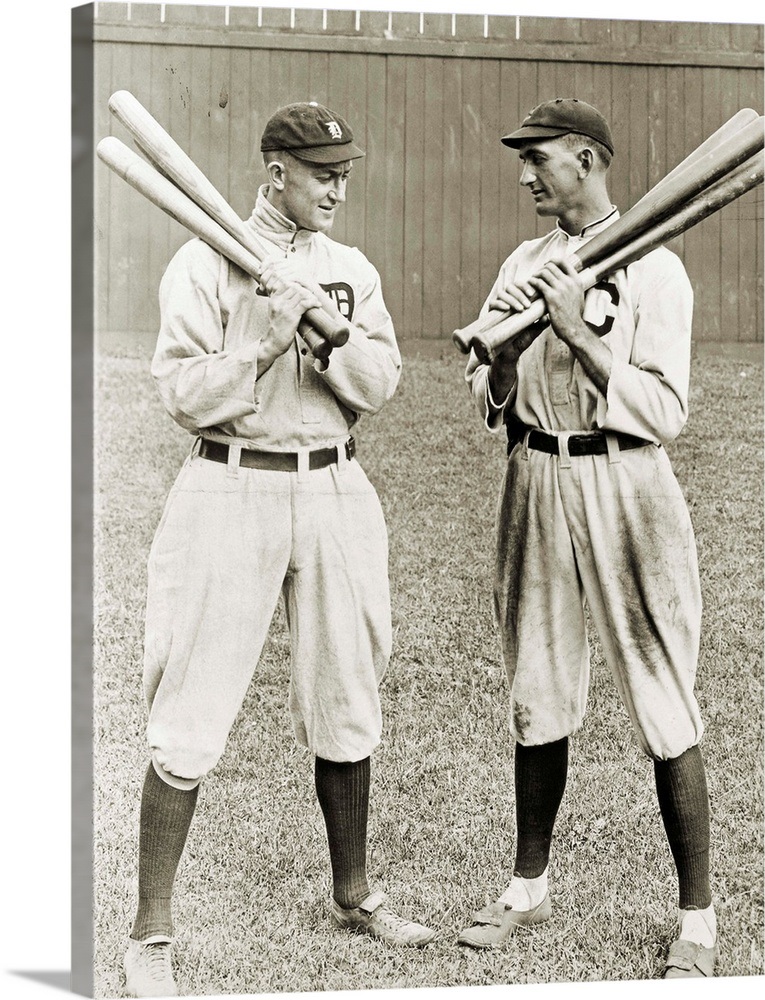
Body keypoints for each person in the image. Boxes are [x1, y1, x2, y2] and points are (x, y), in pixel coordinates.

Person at [123, 101, 435, 999]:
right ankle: (151, 933)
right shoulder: (203, 260)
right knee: (191, 701)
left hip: (335, 483)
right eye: (321, 174)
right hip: (230, 484)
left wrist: (326, 335)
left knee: (347, 687)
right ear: (276, 172)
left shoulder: (350, 269)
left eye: (343, 174)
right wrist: (261, 348)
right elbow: (180, 393)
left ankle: (355, 893)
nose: (336, 189)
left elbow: (379, 383)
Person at [457, 98, 716, 980]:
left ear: (586, 159)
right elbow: (489, 399)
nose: (525, 175)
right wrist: (500, 360)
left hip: (626, 481)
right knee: (536, 684)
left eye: (538, 158)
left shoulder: (656, 266)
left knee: (661, 694)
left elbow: (665, 410)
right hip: (534, 473)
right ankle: (526, 887)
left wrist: (573, 330)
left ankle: (697, 920)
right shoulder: (523, 263)